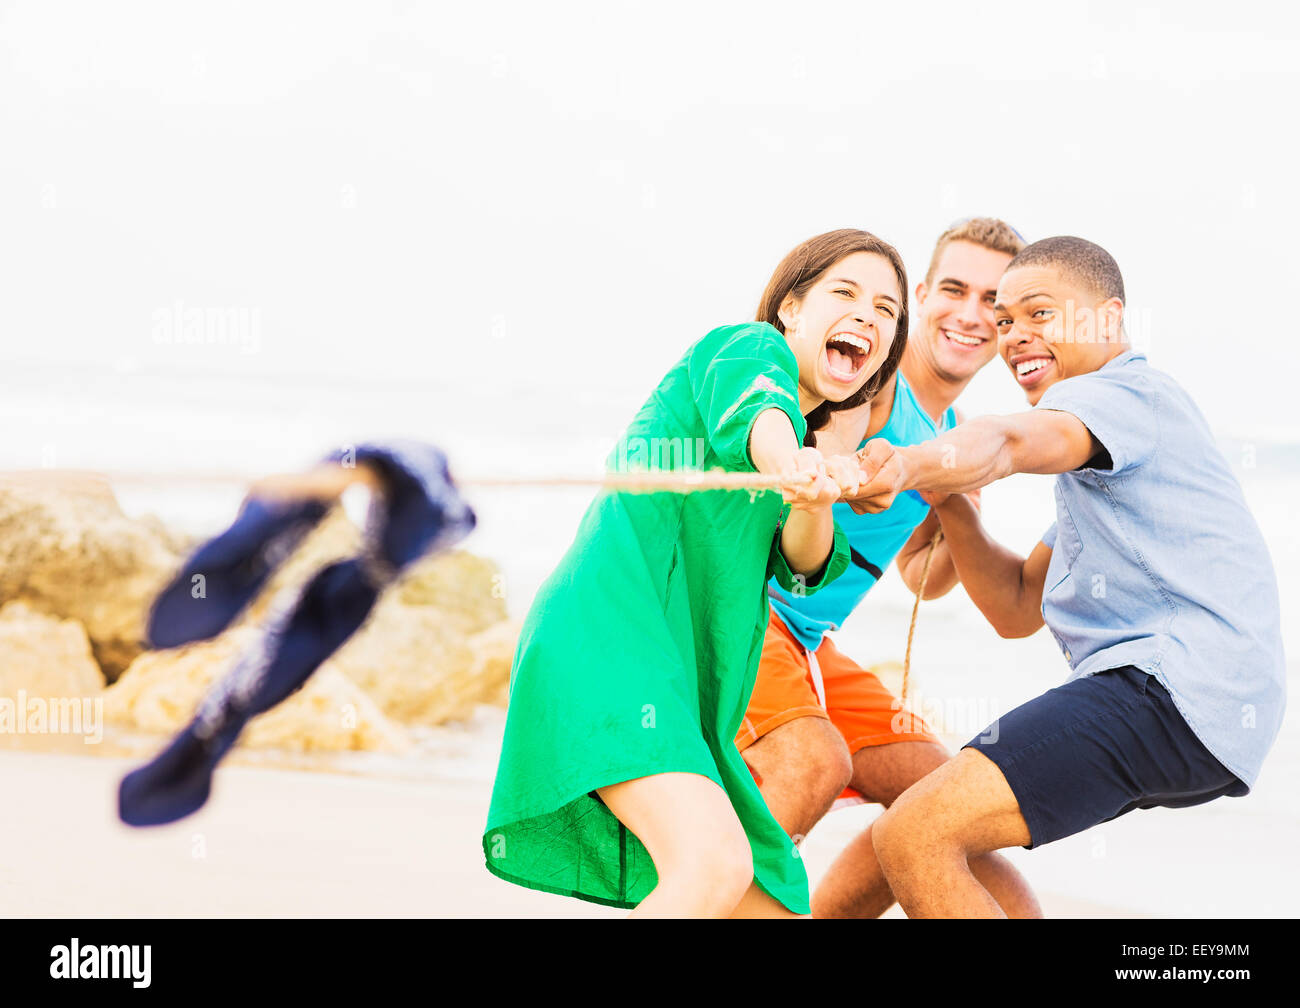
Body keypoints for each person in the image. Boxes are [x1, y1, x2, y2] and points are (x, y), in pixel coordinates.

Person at [852, 236, 1286, 917]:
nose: (1015, 336)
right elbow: (1018, 606)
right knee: (904, 830)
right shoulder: (1106, 456)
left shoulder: (1124, 396)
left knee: (916, 832)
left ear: (1108, 320)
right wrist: (958, 511)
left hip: (1172, 690)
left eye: (1039, 314)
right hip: (1198, 714)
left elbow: (1011, 440)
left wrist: (905, 464)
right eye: (1006, 323)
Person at [482, 228, 911, 917]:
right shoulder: (744, 351)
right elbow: (758, 415)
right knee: (712, 861)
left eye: (887, 311)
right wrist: (793, 462)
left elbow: (804, 567)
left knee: (765, 901)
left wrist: (814, 490)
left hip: (686, 691)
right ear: (792, 309)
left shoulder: (801, 449)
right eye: (846, 293)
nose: (868, 315)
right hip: (607, 644)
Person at [736, 217, 1040, 918]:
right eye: (953, 290)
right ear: (922, 295)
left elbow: (923, 580)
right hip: (754, 615)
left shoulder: (949, 439)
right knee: (813, 763)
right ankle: (712, 895)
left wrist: (957, 508)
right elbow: (836, 426)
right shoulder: (873, 381)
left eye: (992, 303)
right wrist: (858, 462)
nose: (969, 315)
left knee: (940, 796)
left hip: (811, 640)